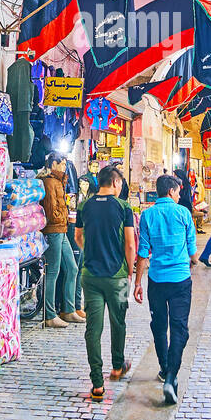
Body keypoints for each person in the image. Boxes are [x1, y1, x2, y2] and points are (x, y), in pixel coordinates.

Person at [75, 164, 137, 402]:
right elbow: (130, 244)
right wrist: (130, 270)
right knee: (118, 322)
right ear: (114, 183)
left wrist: (90, 251)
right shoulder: (123, 207)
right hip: (117, 277)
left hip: (90, 275)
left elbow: (78, 236)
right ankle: (117, 366)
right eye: (120, 183)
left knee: (93, 328)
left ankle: (97, 384)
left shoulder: (84, 206)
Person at [134, 174, 198, 405]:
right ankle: (171, 376)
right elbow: (193, 253)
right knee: (179, 328)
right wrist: (194, 260)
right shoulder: (184, 213)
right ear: (171, 191)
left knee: (159, 326)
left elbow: (143, 253)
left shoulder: (147, 215)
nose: (180, 195)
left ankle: (164, 368)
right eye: (178, 191)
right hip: (181, 280)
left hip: (157, 280)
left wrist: (137, 283)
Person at [38, 155, 83, 328]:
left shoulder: (60, 181)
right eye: (61, 164)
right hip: (54, 230)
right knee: (53, 271)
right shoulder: (50, 182)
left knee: (72, 268)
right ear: (53, 164)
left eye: (65, 164)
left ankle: (69, 310)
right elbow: (50, 209)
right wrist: (60, 218)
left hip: (62, 229)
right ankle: (49, 315)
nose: (64, 167)